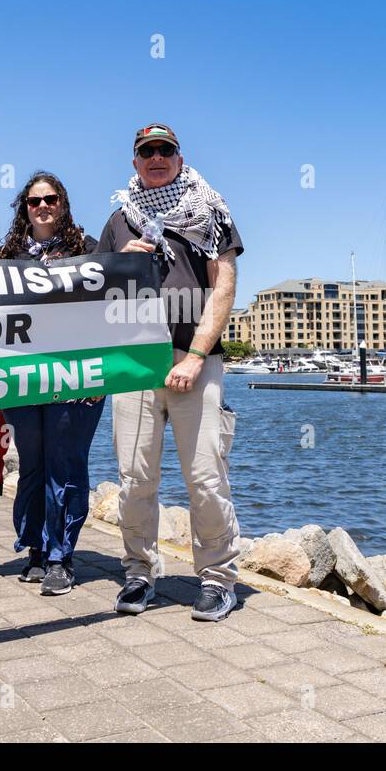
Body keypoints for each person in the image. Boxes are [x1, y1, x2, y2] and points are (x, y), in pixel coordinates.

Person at [99, 124, 244, 621]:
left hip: (194, 362)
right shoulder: (119, 219)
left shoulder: (211, 210)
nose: (156, 157)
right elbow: (94, 294)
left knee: (205, 478)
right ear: (135, 161)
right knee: (136, 479)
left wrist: (196, 356)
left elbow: (223, 287)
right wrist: (118, 262)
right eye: (147, 152)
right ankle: (139, 573)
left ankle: (218, 579)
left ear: (180, 157)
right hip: (136, 368)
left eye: (166, 150)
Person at [0, 172, 103, 594]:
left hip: (75, 378)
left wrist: (100, 371)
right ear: (24, 208)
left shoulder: (89, 252)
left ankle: (61, 557)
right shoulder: (5, 257)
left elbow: (109, 312)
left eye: (51, 199)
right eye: (34, 201)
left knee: (66, 465)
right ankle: (33, 546)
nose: (43, 206)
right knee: (32, 465)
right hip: (21, 380)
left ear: (63, 203)